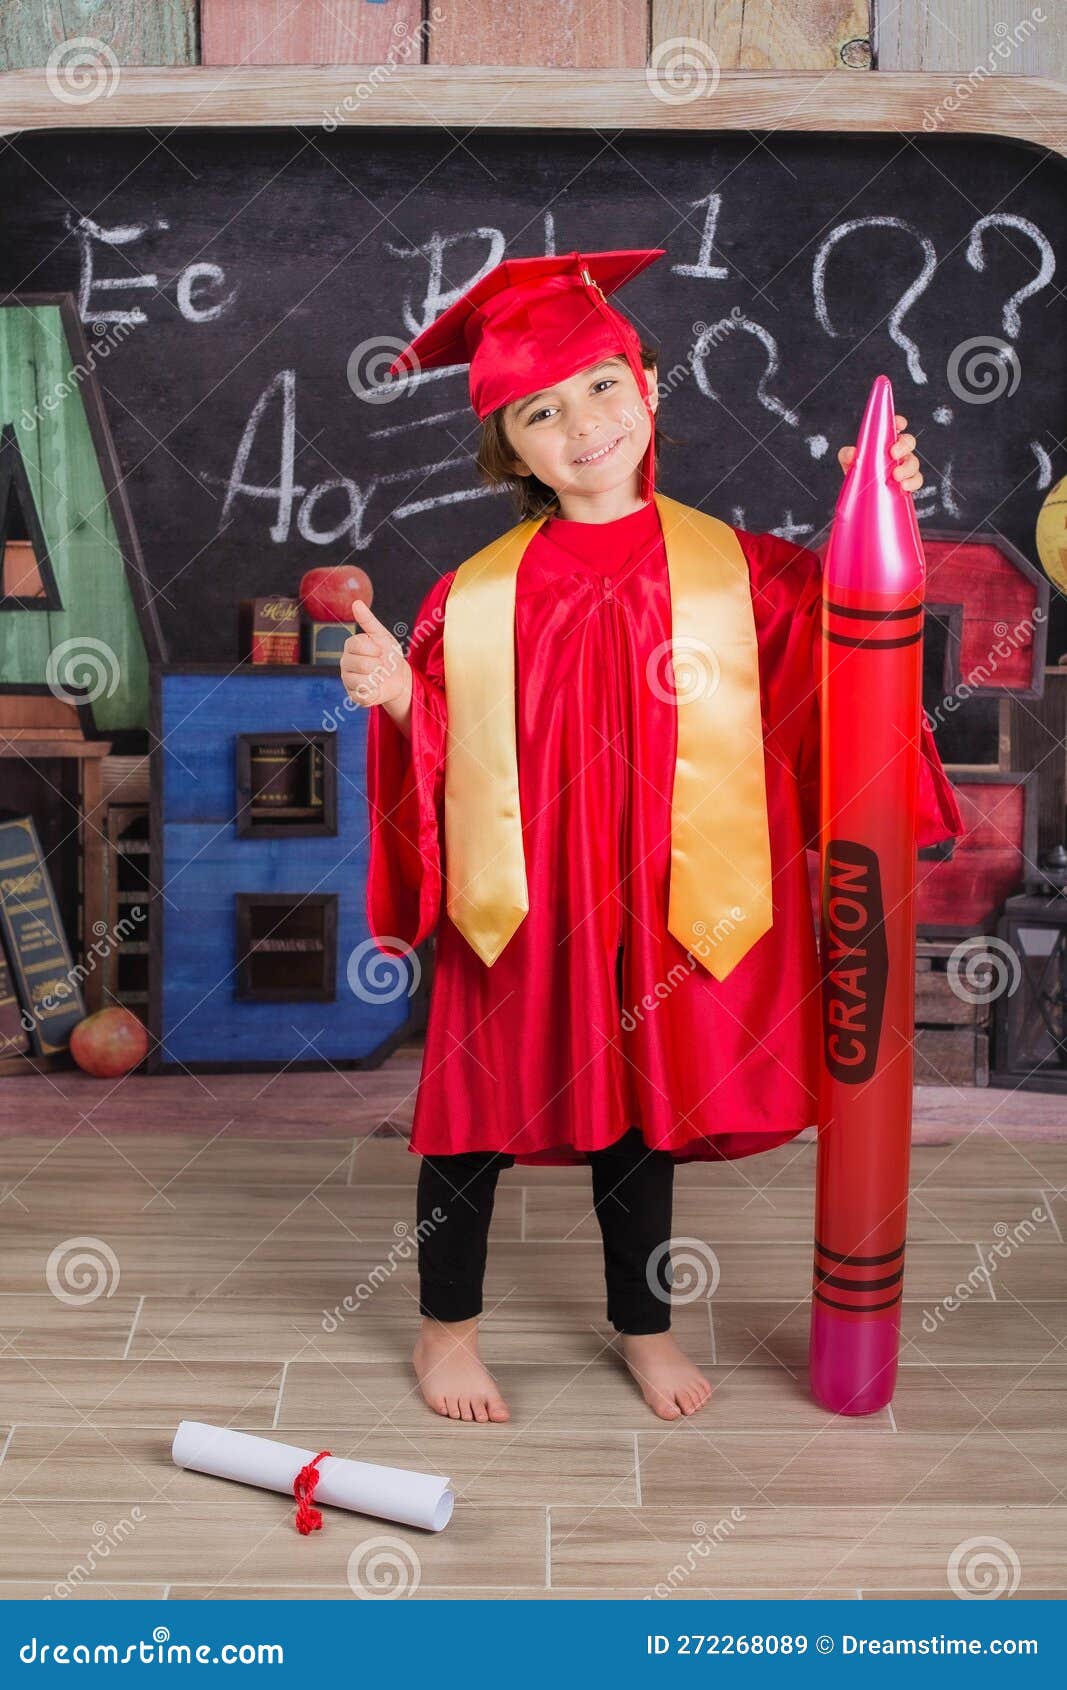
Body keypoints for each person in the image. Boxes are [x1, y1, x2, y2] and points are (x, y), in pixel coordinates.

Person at [340, 249, 964, 1426]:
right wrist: (395, 697)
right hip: (524, 893)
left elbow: (849, 645)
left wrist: (877, 502)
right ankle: (444, 1333)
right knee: (471, 1111)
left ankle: (644, 1326)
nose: (579, 425)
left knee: (643, 1105)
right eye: (539, 409)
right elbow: (454, 754)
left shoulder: (746, 574)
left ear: (649, 386)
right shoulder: (472, 594)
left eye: (599, 387)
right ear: (506, 446)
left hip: (665, 893)